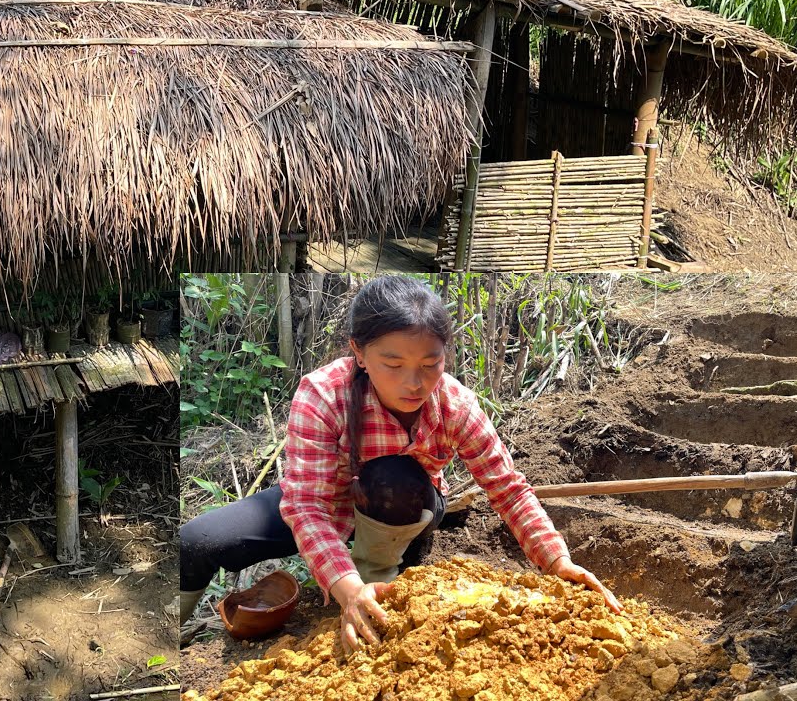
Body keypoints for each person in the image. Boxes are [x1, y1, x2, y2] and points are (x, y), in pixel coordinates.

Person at [180, 276, 620, 652]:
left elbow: (508, 489)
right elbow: (307, 507)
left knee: (392, 477)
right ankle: (171, 631)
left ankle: (382, 587)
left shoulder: (455, 406)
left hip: (404, 506)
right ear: (359, 351)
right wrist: (345, 586)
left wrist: (557, 561)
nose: (415, 383)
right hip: (326, 502)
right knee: (196, 542)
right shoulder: (322, 395)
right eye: (393, 363)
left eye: (431, 364)